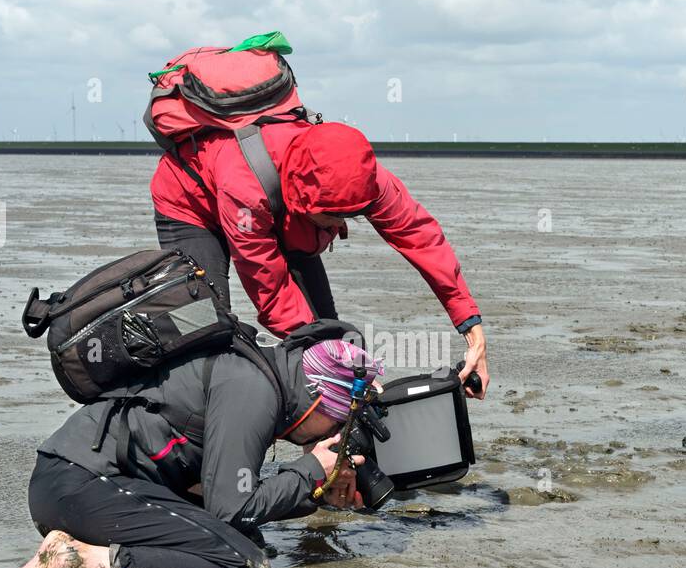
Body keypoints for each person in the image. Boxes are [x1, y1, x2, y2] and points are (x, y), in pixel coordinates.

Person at [7, 338, 382, 568]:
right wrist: (313, 470)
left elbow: (221, 494)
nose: (335, 434)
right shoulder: (254, 390)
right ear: (317, 400)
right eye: (337, 424)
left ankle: (84, 547)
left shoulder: (260, 373)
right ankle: (78, 560)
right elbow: (232, 508)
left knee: (246, 541)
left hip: (74, 483)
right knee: (244, 562)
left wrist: (316, 489)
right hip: (82, 484)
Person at [150, 121, 490, 398]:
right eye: (335, 219)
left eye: (350, 216)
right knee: (201, 324)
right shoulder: (248, 189)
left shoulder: (361, 176)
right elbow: (272, 294)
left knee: (331, 333)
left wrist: (472, 331)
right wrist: (337, 367)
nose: (342, 226)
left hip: (279, 208)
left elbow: (422, 237)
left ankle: (334, 445)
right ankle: (183, 419)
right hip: (191, 205)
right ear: (307, 204)